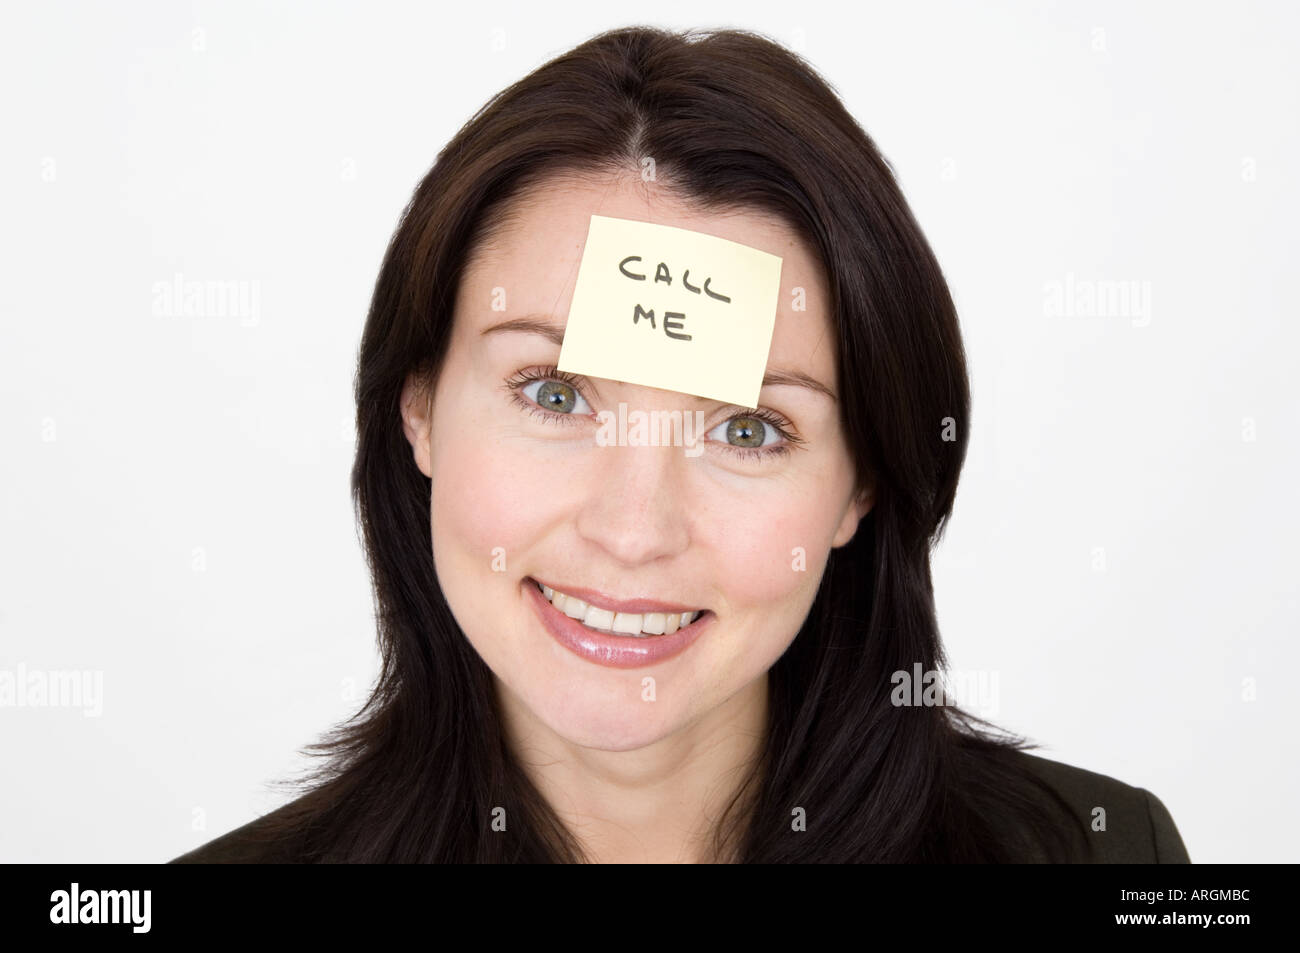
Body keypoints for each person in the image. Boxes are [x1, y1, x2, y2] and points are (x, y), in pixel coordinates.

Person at [170, 25, 1189, 864]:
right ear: (419, 408)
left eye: (747, 428)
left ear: (860, 484)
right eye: (556, 392)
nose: (631, 529)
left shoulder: (1108, 858)